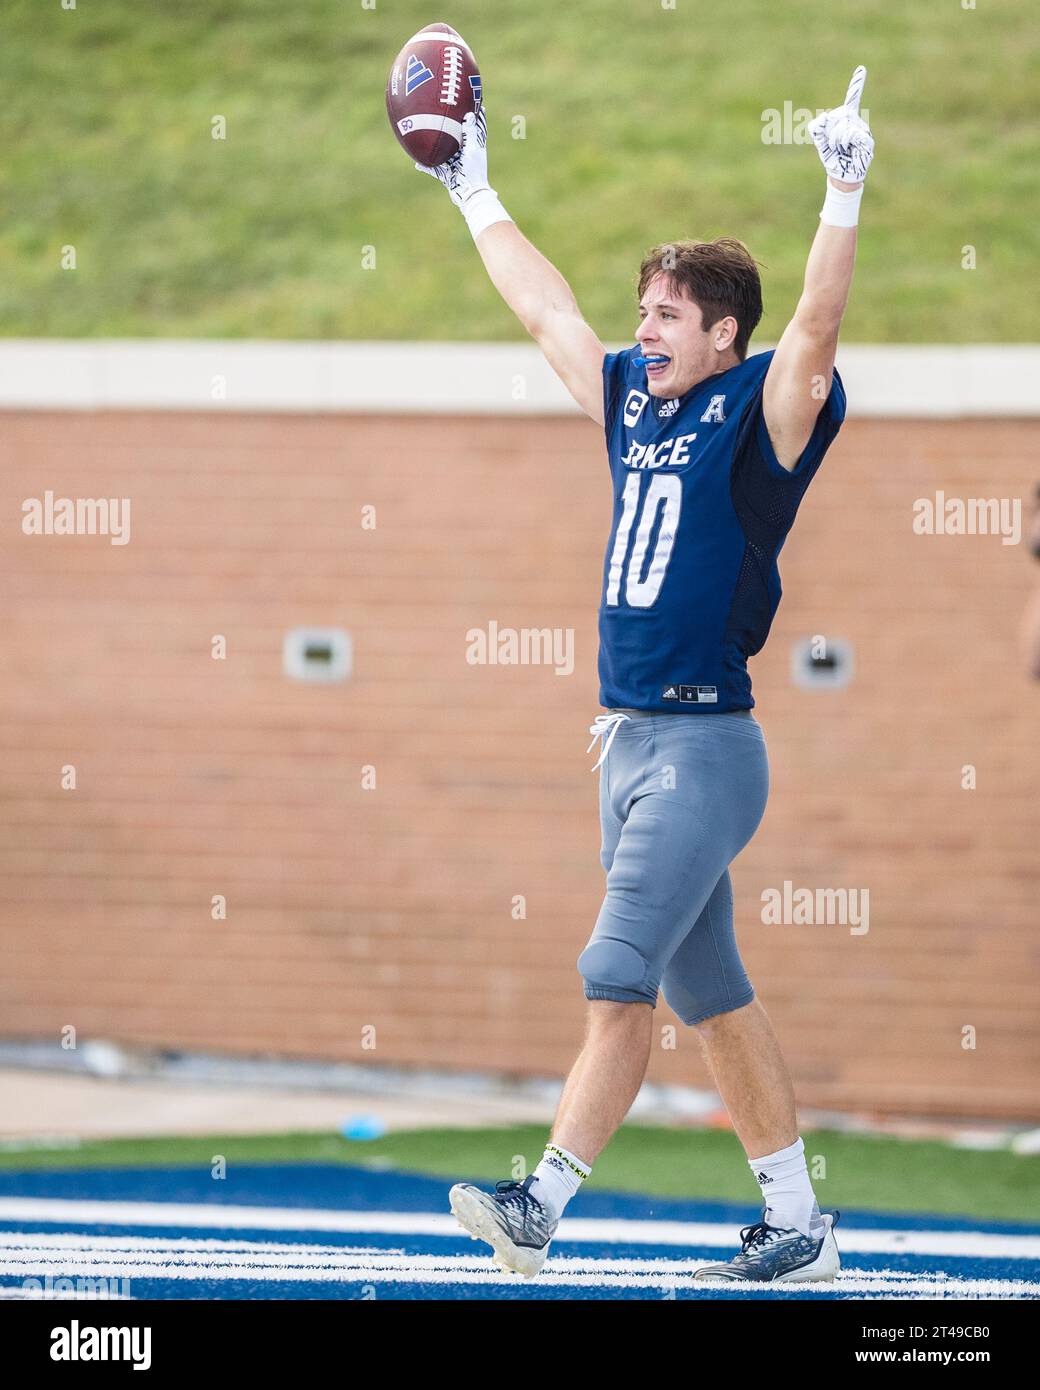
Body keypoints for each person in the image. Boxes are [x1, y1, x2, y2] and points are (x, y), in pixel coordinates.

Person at [417, 67, 875, 1284]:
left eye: (669, 312)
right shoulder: (629, 401)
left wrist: (840, 193)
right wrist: (472, 189)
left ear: (723, 332)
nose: (646, 327)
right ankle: (798, 1224)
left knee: (615, 972)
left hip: (705, 747)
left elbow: (817, 344)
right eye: (646, 307)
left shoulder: (755, 411)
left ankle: (538, 1205)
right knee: (710, 989)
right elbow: (544, 314)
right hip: (623, 745)